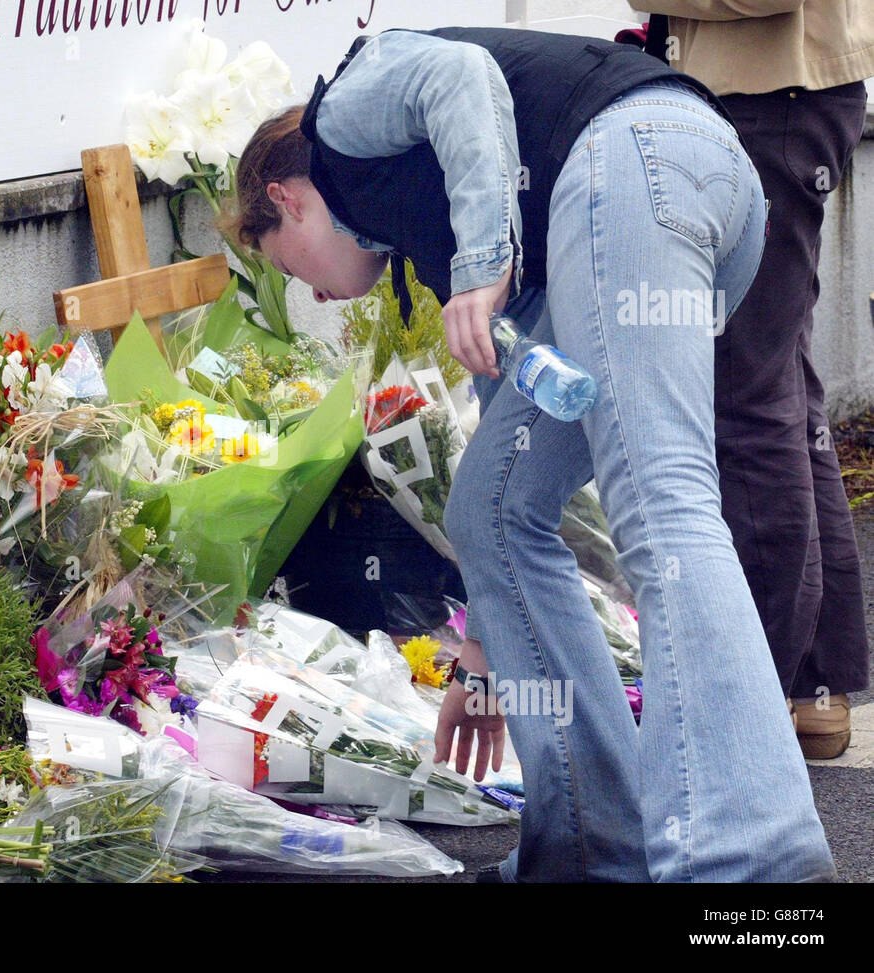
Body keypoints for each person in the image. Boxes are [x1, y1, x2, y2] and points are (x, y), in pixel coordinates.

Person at [217, 25, 837, 881]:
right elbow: (509, 398)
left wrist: (480, 266)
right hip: (688, 187)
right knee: (494, 508)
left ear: (285, 198)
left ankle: (755, 862)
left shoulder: (347, 113)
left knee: (663, 505)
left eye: (286, 268)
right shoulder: (421, 206)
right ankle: (595, 846)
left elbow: (463, 74)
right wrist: (483, 658)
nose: (313, 292)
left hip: (638, 168)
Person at [624, 3, 872, 760]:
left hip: (771, 107)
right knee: (783, 397)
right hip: (777, 101)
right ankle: (813, 689)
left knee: (748, 403)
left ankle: (742, 705)